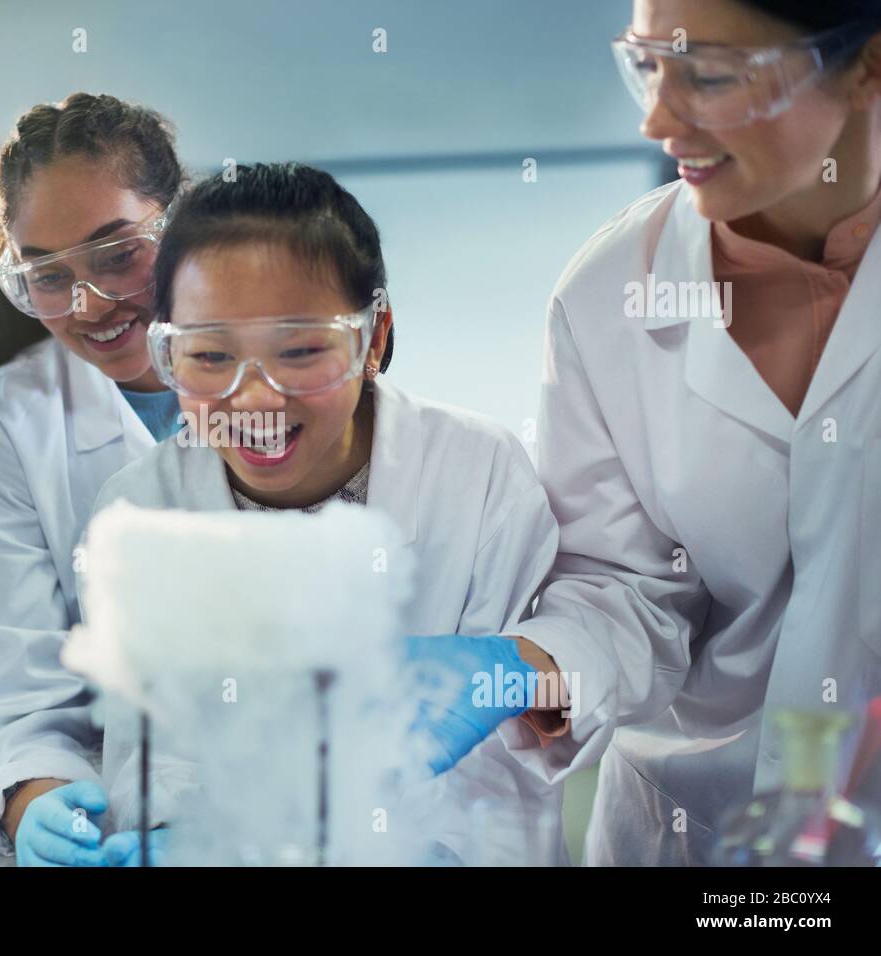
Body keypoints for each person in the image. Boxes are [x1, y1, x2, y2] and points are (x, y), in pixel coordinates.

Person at [86, 162, 568, 865]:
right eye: (210, 356)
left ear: (373, 340)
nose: (254, 400)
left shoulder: (479, 471)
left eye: (301, 352)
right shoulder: (138, 509)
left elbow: (504, 771)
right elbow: (146, 759)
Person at [499, 0, 881, 864]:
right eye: (648, 66)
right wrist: (540, 664)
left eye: (709, 75)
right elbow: (628, 585)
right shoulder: (607, 294)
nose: (657, 118)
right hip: (688, 828)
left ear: (867, 65)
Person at [0, 93, 186, 861]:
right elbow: (13, 688)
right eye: (49, 276)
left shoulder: (289, 379)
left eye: (120, 253)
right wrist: (38, 802)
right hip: (111, 813)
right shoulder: (1, 423)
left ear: (181, 220)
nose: (90, 303)